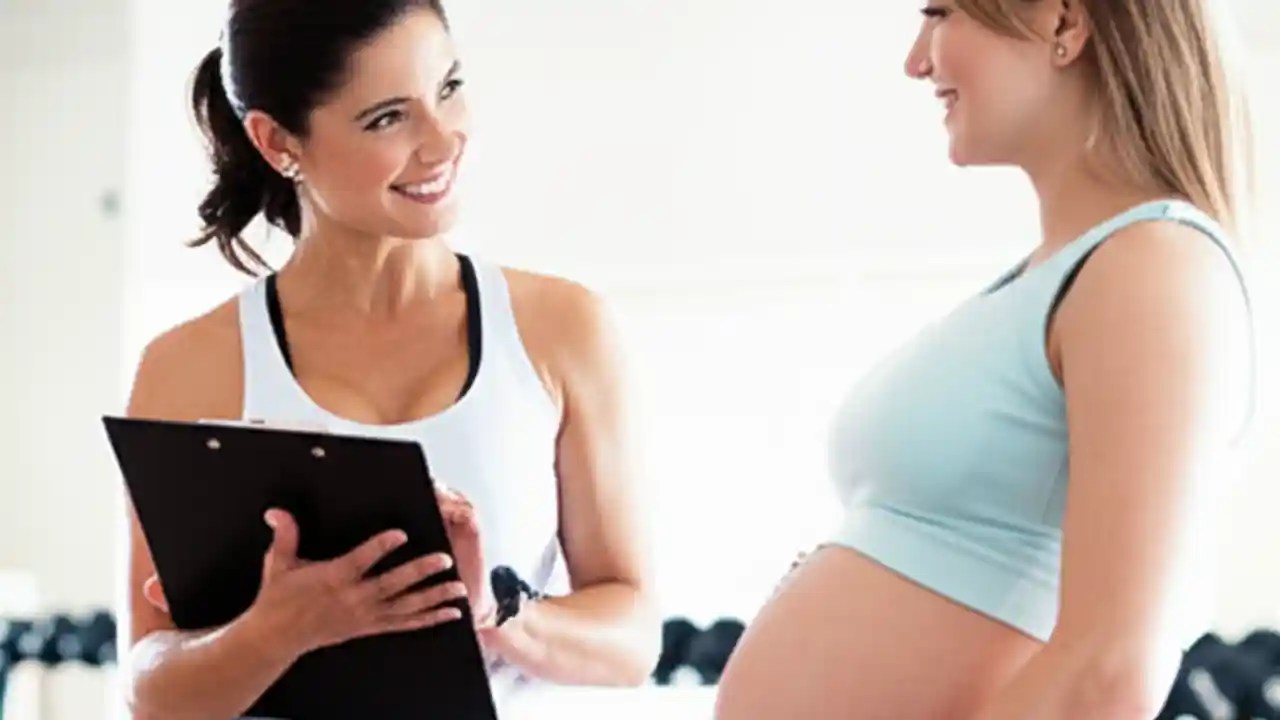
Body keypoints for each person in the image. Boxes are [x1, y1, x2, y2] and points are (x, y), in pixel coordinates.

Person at [715, 1, 1256, 718]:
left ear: (1064, 25)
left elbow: (1112, 668)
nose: (916, 59)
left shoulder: (1153, 266)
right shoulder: (1060, 276)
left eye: (941, 14)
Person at [119, 1, 659, 717]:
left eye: (449, 87)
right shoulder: (188, 365)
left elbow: (631, 640)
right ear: (279, 141)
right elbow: (150, 689)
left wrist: (494, 609)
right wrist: (274, 632)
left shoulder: (561, 328)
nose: (443, 142)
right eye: (387, 118)